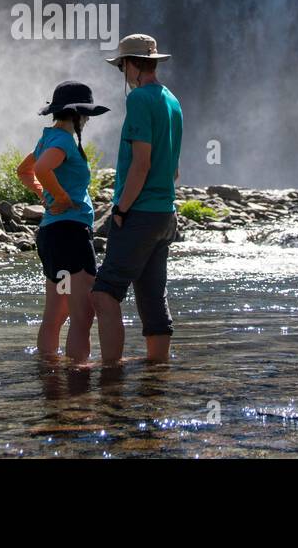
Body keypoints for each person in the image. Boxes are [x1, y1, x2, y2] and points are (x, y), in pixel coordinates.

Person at [90, 34, 183, 365]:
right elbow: (173, 171)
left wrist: (121, 208)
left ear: (130, 64)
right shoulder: (172, 101)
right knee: (152, 296)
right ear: (154, 62)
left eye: (121, 66)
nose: (122, 73)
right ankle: (158, 373)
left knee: (104, 293)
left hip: (140, 212)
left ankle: (110, 375)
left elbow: (141, 164)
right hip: (164, 214)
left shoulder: (140, 100)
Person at [16, 81, 108, 363]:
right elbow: (41, 169)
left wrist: (43, 194)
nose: (89, 120)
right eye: (87, 114)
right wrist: (61, 197)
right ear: (79, 114)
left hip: (51, 234)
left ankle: (50, 374)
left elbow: (24, 170)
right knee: (83, 315)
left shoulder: (47, 138)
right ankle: (79, 378)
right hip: (72, 233)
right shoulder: (65, 140)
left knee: (55, 314)